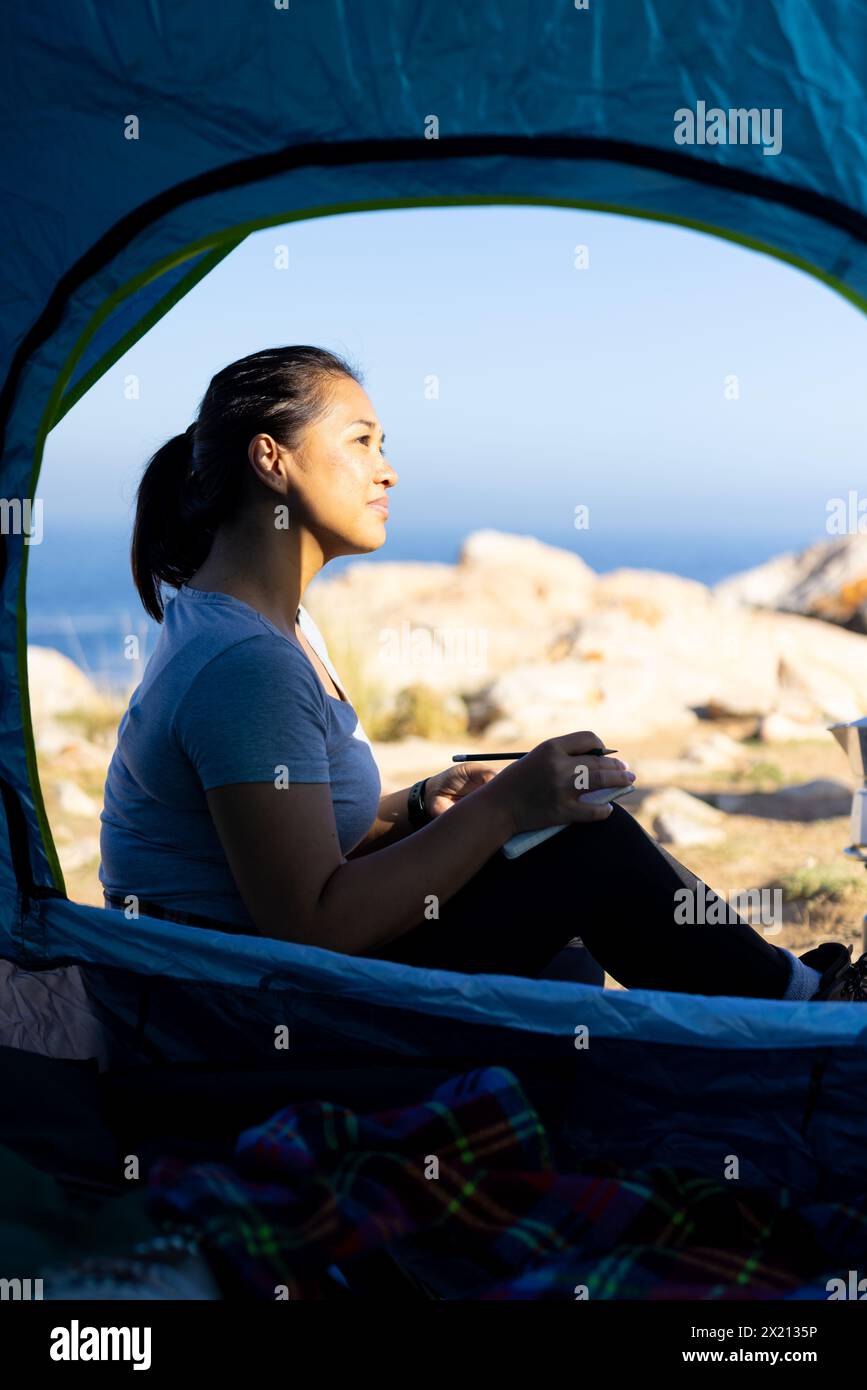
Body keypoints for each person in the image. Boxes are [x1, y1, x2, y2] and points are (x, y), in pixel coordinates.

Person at [99, 345, 867, 1003]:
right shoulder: (246, 663)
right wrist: (500, 811)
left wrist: (419, 806)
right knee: (579, 852)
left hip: (255, 984)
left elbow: (298, 826)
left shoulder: (277, 628)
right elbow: (311, 923)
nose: (388, 471)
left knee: (558, 896)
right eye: (362, 441)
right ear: (271, 459)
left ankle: (783, 1003)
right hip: (235, 1014)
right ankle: (807, 1015)